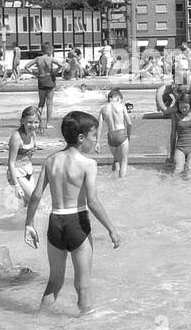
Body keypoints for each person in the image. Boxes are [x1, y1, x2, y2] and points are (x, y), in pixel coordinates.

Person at [23, 110, 122, 313]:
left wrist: (29, 224)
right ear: (81, 137)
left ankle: (39, 323)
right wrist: (111, 228)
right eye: (94, 135)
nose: (95, 140)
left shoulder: (51, 160)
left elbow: (35, 196)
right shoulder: (88, 164)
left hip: (55, 223)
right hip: (77, 222)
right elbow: (93, 202)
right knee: (83, 285)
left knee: (54, 281)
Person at [6, 105, 42, 204]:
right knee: (35, 201)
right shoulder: (16, 137)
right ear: (22, 121)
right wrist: (16, 185)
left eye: (36, 122)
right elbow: (11, 163)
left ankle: (22, 219)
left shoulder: (33, 134)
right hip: (16, 173)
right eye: (29, 122)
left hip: (28, 170)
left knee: (28, 203)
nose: (33, 125)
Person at [25, 42, 63, 133]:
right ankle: (48, 123)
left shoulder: (38, 59)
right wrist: (55, 72)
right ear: (49, 49)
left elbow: (26, 67)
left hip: (41, 79)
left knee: (41, 103)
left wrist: (34, 73)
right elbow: (61, 65)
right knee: (49, 103)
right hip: (49, 78)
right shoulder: (50, 59)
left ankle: (35, 121)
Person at [98, 89, 132, 178]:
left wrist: (97, 142)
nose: (121, 101)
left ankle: (114, 179)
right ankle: (121, 183)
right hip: (121, 134)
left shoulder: (103, 109)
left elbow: (99, 127)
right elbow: (129, 123)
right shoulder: (121, 106)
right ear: (117, 98)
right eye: (121, 99)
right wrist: (128, 135)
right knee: (124, 162)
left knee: (116, 160)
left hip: (110, 135)